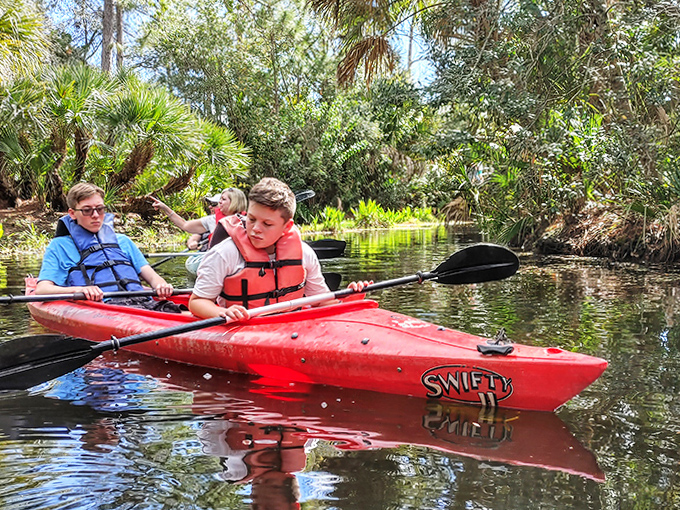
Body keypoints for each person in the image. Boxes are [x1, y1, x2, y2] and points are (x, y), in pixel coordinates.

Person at [189, 178, 368, 320]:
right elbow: (197, 302)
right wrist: (221, 313)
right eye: (251, 219)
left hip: (288, 327)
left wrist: (351, 297)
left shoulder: (304, 253)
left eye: (267, 223)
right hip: (242, 327)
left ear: (287, 226)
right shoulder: (224, 253)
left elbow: (323, 303)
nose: (256, 228)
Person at [36, 183, 181, 312]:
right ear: (72, 213)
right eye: (87, 210)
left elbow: (153, 278)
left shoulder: (123, 241)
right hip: (103, 309)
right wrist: (80, 290)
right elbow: (42, 290)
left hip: (142, 303)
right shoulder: (60, 246)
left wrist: (162, 285)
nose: (95, 215)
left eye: (100, 209)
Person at [151, 187, 247, 250]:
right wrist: (165, 208)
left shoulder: (247, 221)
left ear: (234, 202)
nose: (220, 202)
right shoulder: (211, 220)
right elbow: (184, 225)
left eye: (224, 199)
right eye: (220, 199)